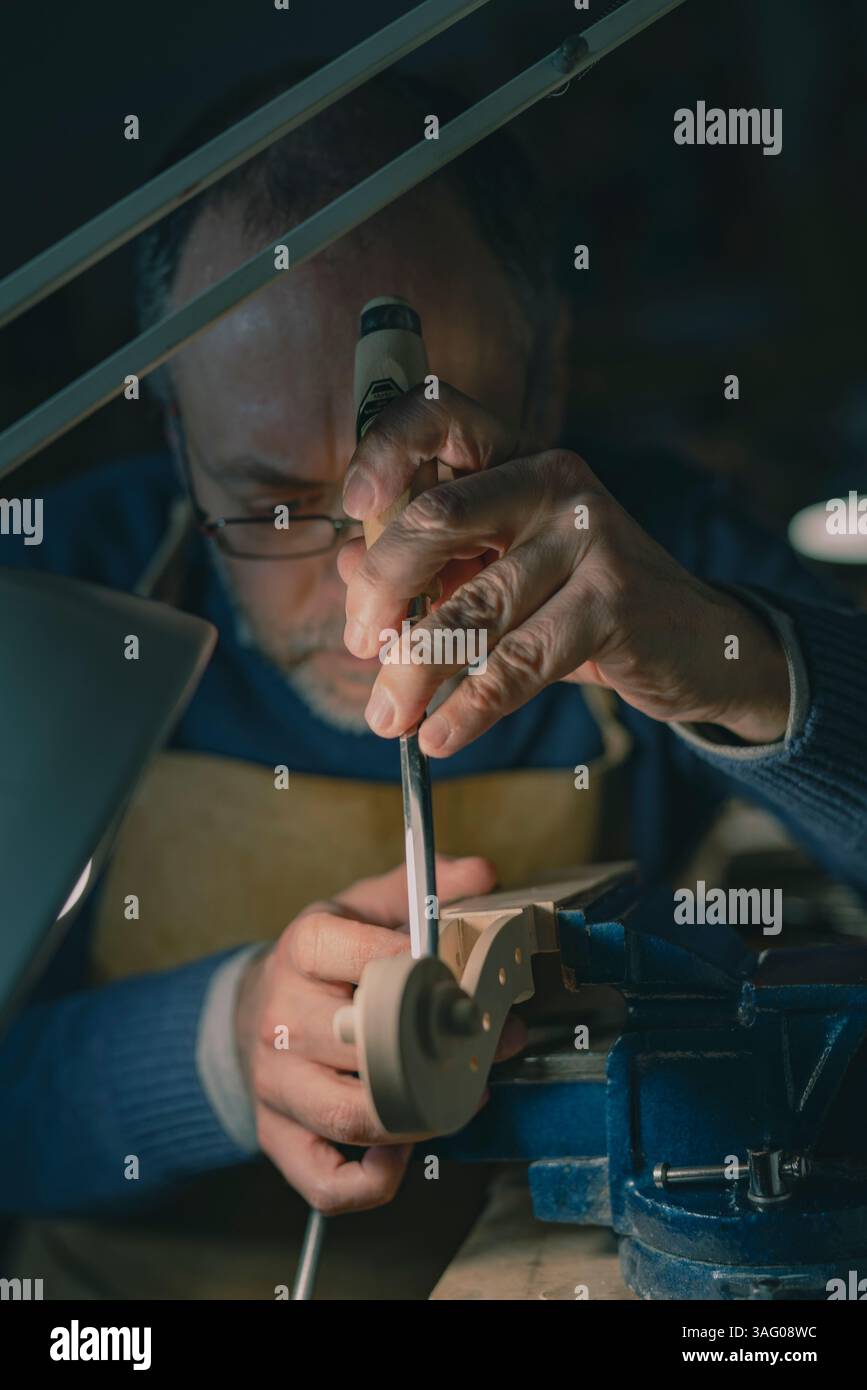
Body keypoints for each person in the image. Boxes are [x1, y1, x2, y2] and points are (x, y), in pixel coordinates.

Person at [2, 63, 865, 1300]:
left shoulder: (651, 548)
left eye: (438, 489)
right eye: (274, 505)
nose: (370, 580)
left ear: (546, 372)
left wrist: (747, 670)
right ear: (177, 436)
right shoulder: (57, 596)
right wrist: (220, 1045)